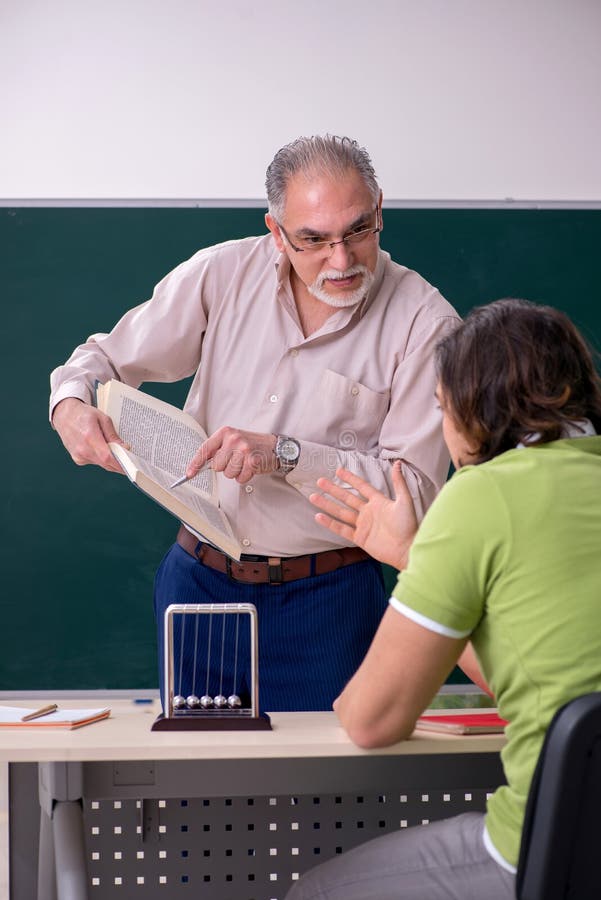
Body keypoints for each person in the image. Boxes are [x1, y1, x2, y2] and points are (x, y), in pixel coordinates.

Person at [49, 134, 459, 712]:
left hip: (330, 599)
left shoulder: (426, 322)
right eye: (313, 240)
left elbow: (412, 494)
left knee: (330, 799)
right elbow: (103, 359)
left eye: (357, 231)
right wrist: (69, 404)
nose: (340, 261)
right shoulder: (222, 274)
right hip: (198, 586)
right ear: (276, 230)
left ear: (380, 212)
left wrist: (288, 455)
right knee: (191, 792)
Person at [285, 297, 601, 898]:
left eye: (440, 410)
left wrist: (414, 557)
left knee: (313, 893)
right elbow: (545, 686)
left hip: (551, 849)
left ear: (471, 408)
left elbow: (372, 721)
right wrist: (413, 557)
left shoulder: (482, 496)